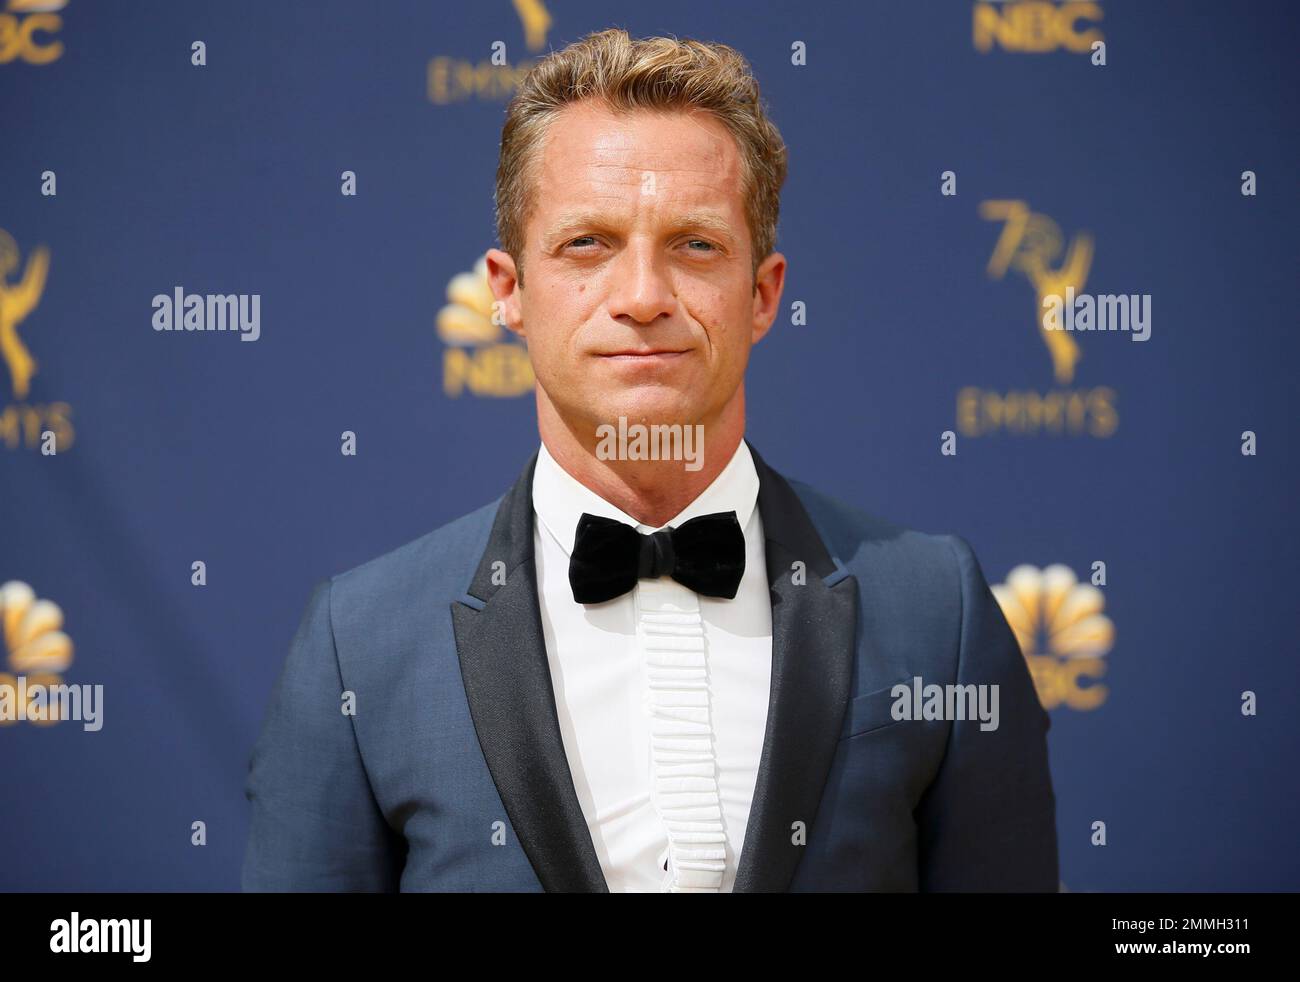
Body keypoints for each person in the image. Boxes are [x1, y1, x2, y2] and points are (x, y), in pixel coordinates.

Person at [242, 27, 1057, 892]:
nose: (641, 298)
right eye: (586, 244)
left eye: (695, 245)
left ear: (764, 293)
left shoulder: (938, 610)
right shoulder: (359, 644)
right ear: (508, 291)